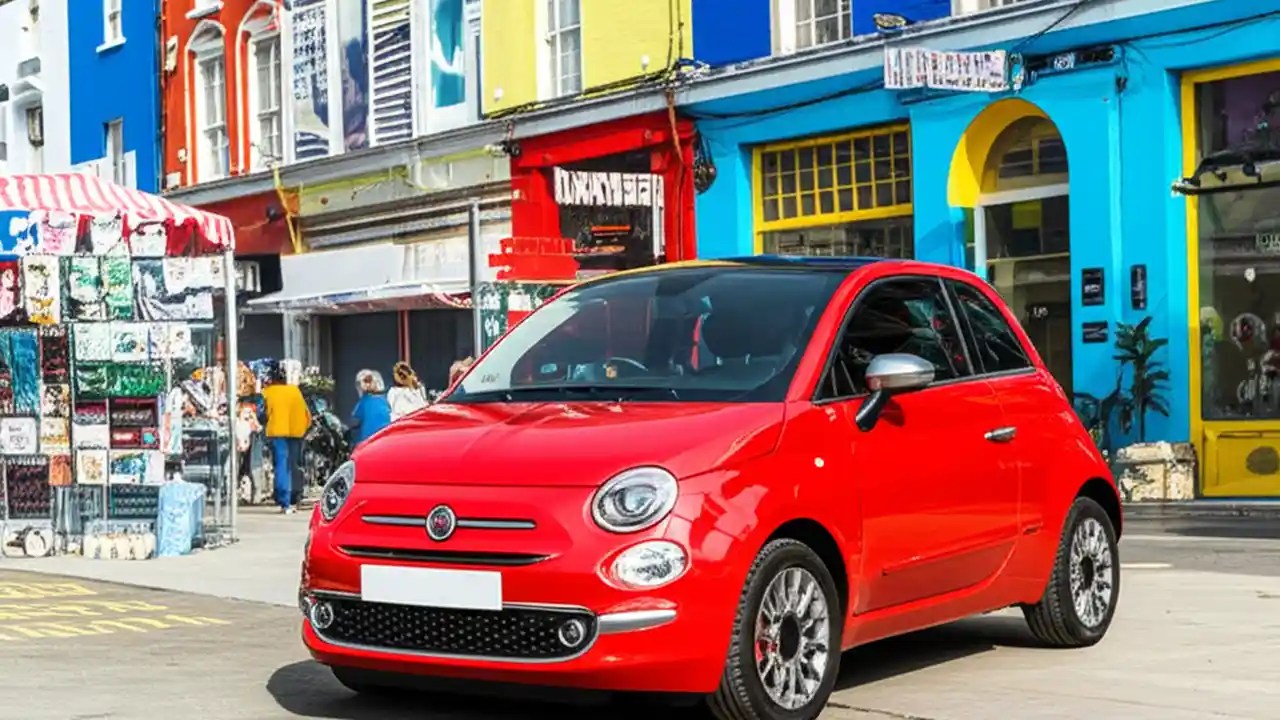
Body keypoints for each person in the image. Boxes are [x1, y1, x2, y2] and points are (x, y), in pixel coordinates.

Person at [260, 363, 311, 514]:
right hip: (296, 432)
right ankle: (295, 497)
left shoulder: (267, 392)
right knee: (293, 464)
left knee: (281, 464)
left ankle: (284, 501)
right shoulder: (295, 391)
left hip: (277, 432)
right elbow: (307, 414)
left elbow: (263, 414)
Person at [350, 369, 392, 446]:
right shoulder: (387, 399)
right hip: (386, 439)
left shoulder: (364, 401)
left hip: (367, 442)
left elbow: (354, 421)